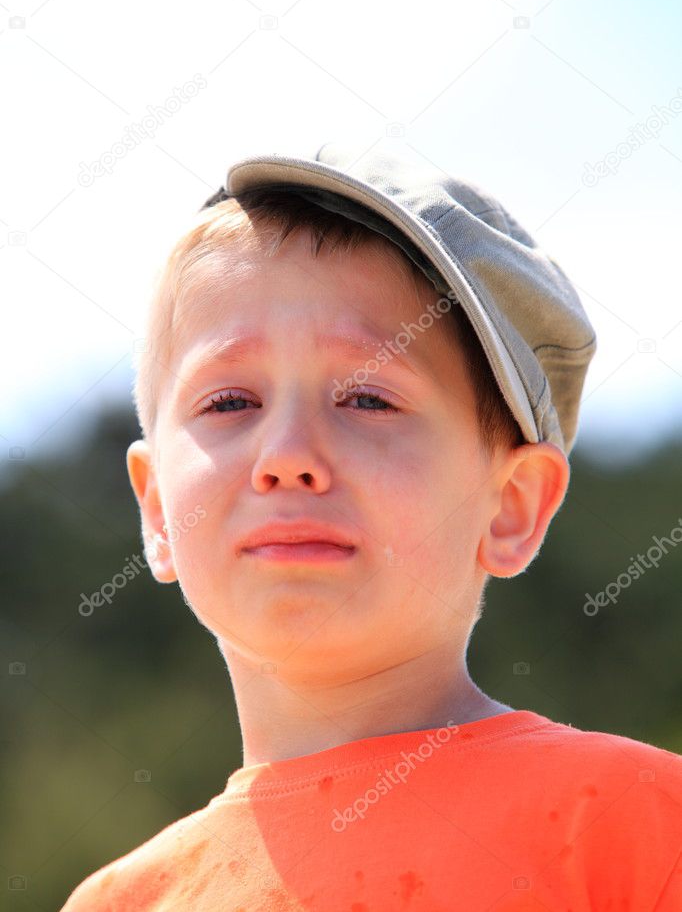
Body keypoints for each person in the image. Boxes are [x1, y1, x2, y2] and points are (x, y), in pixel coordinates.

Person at [60, 142, 682, 910]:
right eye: (229, 403)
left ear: (512, 504)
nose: (286, 457)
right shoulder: (118, 901)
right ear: (156, 509)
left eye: (367, 400)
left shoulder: (638, 822)